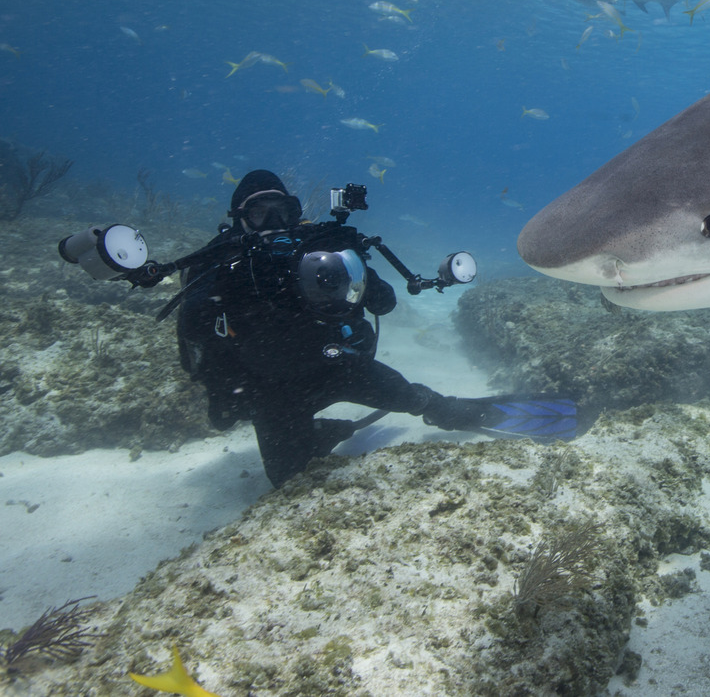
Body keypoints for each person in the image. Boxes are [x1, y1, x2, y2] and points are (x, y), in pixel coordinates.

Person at [174, 170, 572, 486]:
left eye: (283, 210)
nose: (274, 222)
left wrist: (349, 263)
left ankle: (455, 412)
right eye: (260, 213)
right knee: (287, 480)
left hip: (335, 368)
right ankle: (325, 432)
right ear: (240, 219)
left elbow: (384, 301)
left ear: (297, 212)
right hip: (269, 391)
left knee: (415, 398)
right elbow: (192, 320)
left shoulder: (317, 252)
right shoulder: (224, 262)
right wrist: (234, 283)